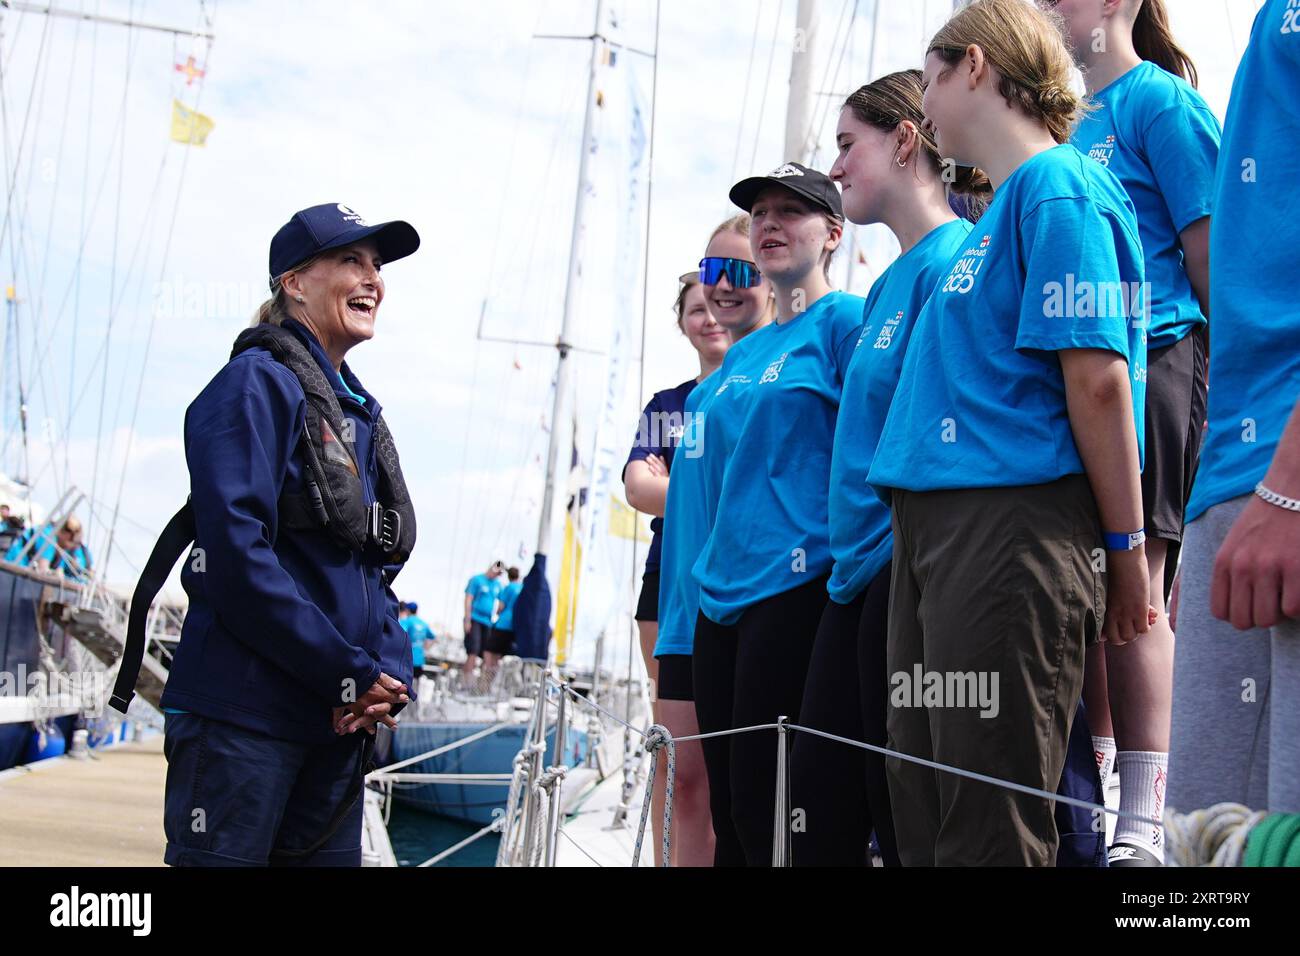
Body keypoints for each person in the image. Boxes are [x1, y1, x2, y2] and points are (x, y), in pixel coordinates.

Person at [868, 0, 1149, 865]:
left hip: (1008, 528)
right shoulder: (996, 219)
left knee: (987, 813)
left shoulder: (1058, 185)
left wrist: (1127, 550)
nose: (923, 107)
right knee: (923, 796)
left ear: (976, 66)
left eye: (930, 80)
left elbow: (1098, 382)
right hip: (936, 532)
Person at [158, 202, 420, 866]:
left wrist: (388, 675)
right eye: (350, 260)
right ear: (294, 282)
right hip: (245, 721)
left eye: (377, 265)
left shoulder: (353, 417)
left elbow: (370, 573)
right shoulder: (252, 386)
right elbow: (234, 557)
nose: (373, 279)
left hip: (335, 727)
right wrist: (346, 672)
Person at [791, 70, 986, 867]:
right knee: (816, 810)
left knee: (901, 813)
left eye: (848, 144)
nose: (835, 167)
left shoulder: (956, 262)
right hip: (851, 577)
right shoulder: (883, 289)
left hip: (904, 569)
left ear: (905, 141)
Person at [1050, 0, 1220, 867]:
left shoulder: (1159, 101)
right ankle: (1103, 781)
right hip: (1078, 370)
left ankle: (1148, 813)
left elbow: (1213, 255)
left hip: (1160, 355)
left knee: (1138, 578)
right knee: (1085, 591)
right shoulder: (1057, 128)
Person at [691, 162, 864, 866]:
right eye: (760, 212)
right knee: (731, 813)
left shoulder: (847, 322)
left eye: (790, 212)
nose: (769, 223)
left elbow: (869, 449)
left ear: (833, 233)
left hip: (797, 587)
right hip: (718, 598)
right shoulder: (744, 352)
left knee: (778, 808)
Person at [1169, 0, 1300, 818]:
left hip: (1283, 478)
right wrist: (1213, 510)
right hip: (1242, 483)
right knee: (1207, 844)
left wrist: (1291, 487)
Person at [654, 218, 776, 866]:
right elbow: (638, 485)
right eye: (711, 272)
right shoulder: (688, 401)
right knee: (685, 781)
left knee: (749, 798)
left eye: (740, 271)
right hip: (683, 612)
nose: (722, 287)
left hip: (751, 611)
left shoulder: (783, 376)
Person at [463, 561, 505, 689]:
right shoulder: (477, 580)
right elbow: (468, 599)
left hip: (488, 622)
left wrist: (499, 614)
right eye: (497, 572)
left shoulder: (498, 585)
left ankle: (482, 685)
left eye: (500, 573)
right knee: (473, 651)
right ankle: (467, 683)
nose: (498, 575)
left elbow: (502, 602)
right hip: (475, 619)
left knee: (486, 653)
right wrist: (467, 620)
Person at [483, 567, 522, 686]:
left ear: (508, 576)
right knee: (501, 655)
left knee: (489, 652)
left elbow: (500, 607)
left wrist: (496, 614)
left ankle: (488, 681)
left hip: (503, 624)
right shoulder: (522, 588)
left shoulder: (509, 588)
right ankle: (499, 683)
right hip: (516, 627)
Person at [399, 601, 432, 675]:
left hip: (407, 660)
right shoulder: (424, 624)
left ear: (407, 610)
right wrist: (426, 648)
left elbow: (400, 633)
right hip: (420, 661)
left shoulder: (406, 621)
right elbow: (432, 637)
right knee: (416, 681)